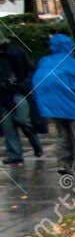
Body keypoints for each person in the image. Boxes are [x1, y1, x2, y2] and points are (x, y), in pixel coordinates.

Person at [32, 33, 75, 177]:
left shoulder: (45, 62)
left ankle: (64, 164)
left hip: (53, 108)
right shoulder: (74, 64)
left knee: (63, 136)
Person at [0, 30, 43, 164]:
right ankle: (15, 154)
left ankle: (35, 144)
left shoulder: (16, 52)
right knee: (8, 127)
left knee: (23, 121)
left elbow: (30, 70)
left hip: (18, 92)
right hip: (3, 95)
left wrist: (22, 85)